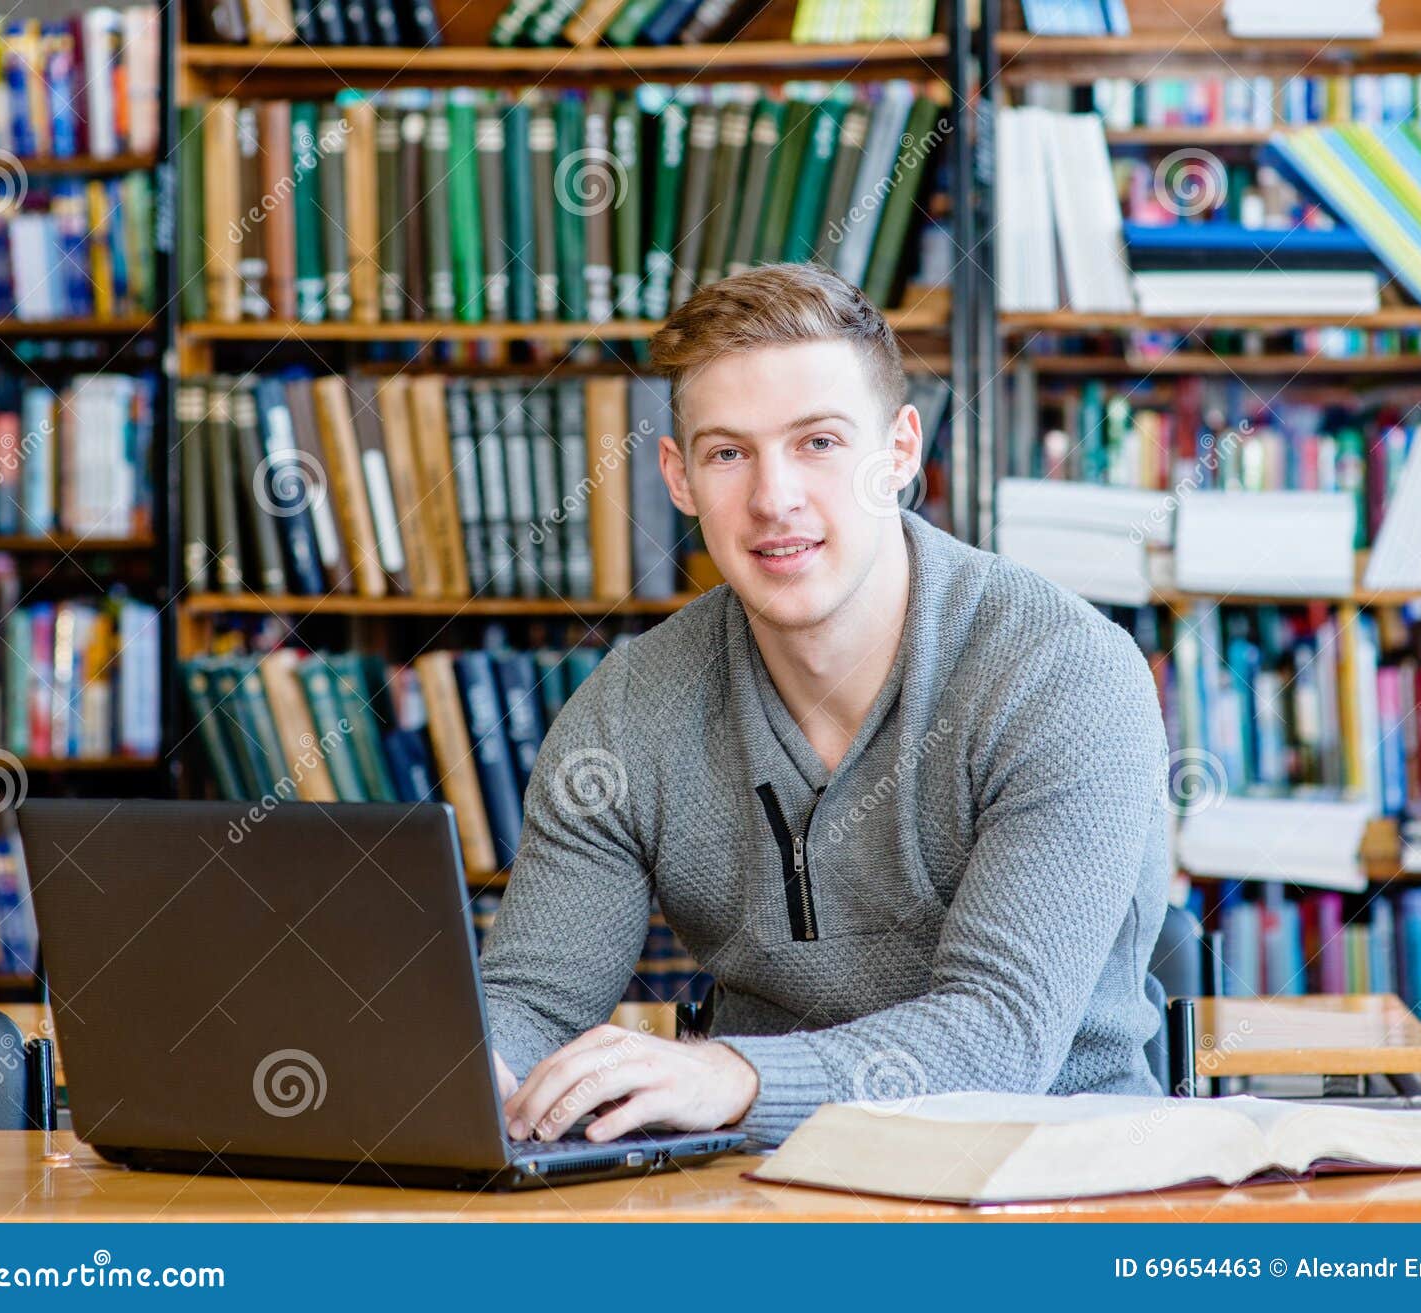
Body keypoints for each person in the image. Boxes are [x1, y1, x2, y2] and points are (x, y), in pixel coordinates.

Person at [481, 262, 1170, 1148]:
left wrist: (737, 1076)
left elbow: (1003, 1032)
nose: (774, 499)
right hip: (762, 1187)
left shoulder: (1060, 672)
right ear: (679, 477)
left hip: (1054, 1177)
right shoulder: (625, 711)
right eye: (728, 452)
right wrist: (478, 1071)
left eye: (819, 443)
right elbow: (536, 1000)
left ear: (900, 452)